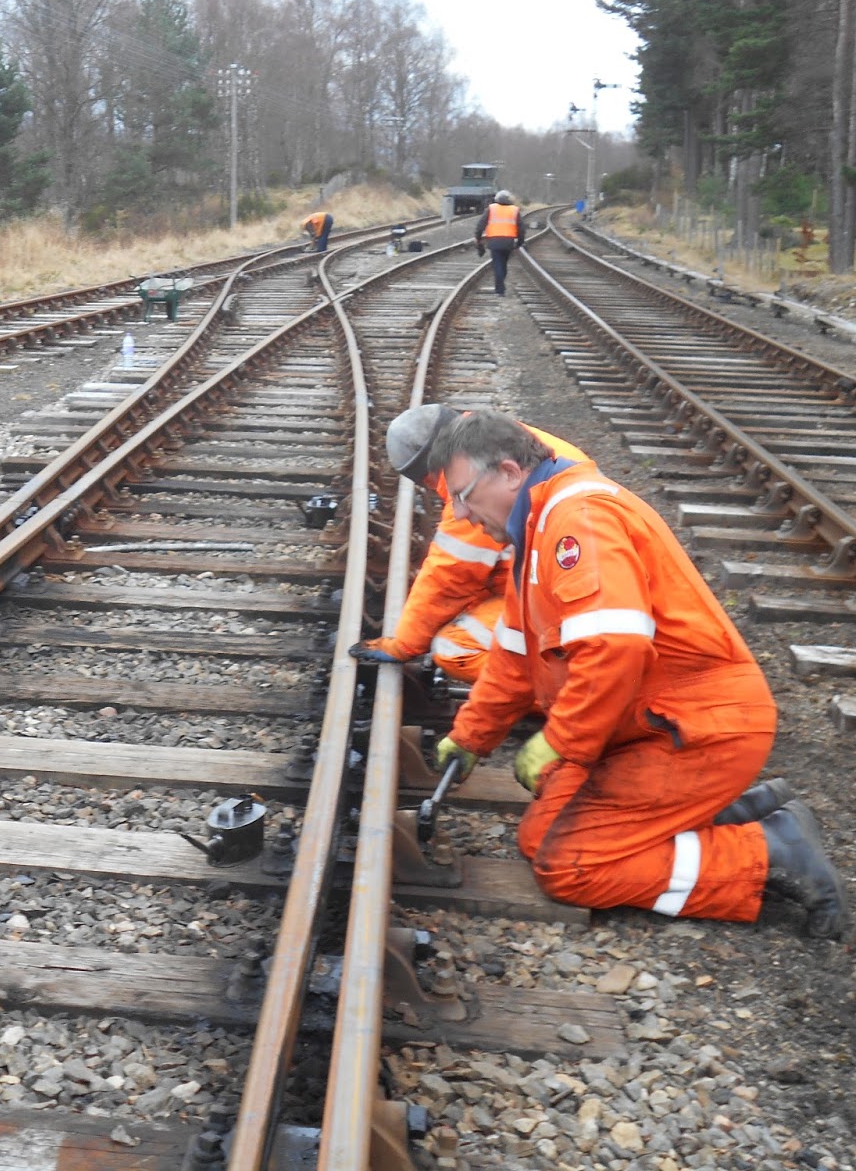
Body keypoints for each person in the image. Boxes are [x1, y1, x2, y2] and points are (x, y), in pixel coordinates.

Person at [426, 410, 847, 940]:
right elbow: (513, 658)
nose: (460, 513)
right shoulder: (536, 532)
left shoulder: (578, 519)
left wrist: (561, 741)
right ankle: (734, 811)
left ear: (510, 472)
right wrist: (470, 737)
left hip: (694, 730)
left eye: (462, 494)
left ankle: (769, 853)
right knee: (541, 837)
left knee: (571, 866)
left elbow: (615, 646)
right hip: (654, 726)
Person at [349, 404, 588, 684]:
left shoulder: (479, 487)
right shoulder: (506, 441)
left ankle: (567, 693)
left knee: (455, 646)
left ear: (431, 473)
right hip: (566, 582)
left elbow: (450, 577)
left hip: (566, 603)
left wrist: (405, 644)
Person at [475, 189, 523, 296]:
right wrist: (520, 242)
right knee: (503, 263)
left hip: (494, 240)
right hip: (509, 242)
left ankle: (499, 289)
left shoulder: (491, 208)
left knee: (497, 264)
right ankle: (500, 286)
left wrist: (478, 238)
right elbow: (521, 228)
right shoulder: (515, 210)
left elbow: (481, 224)